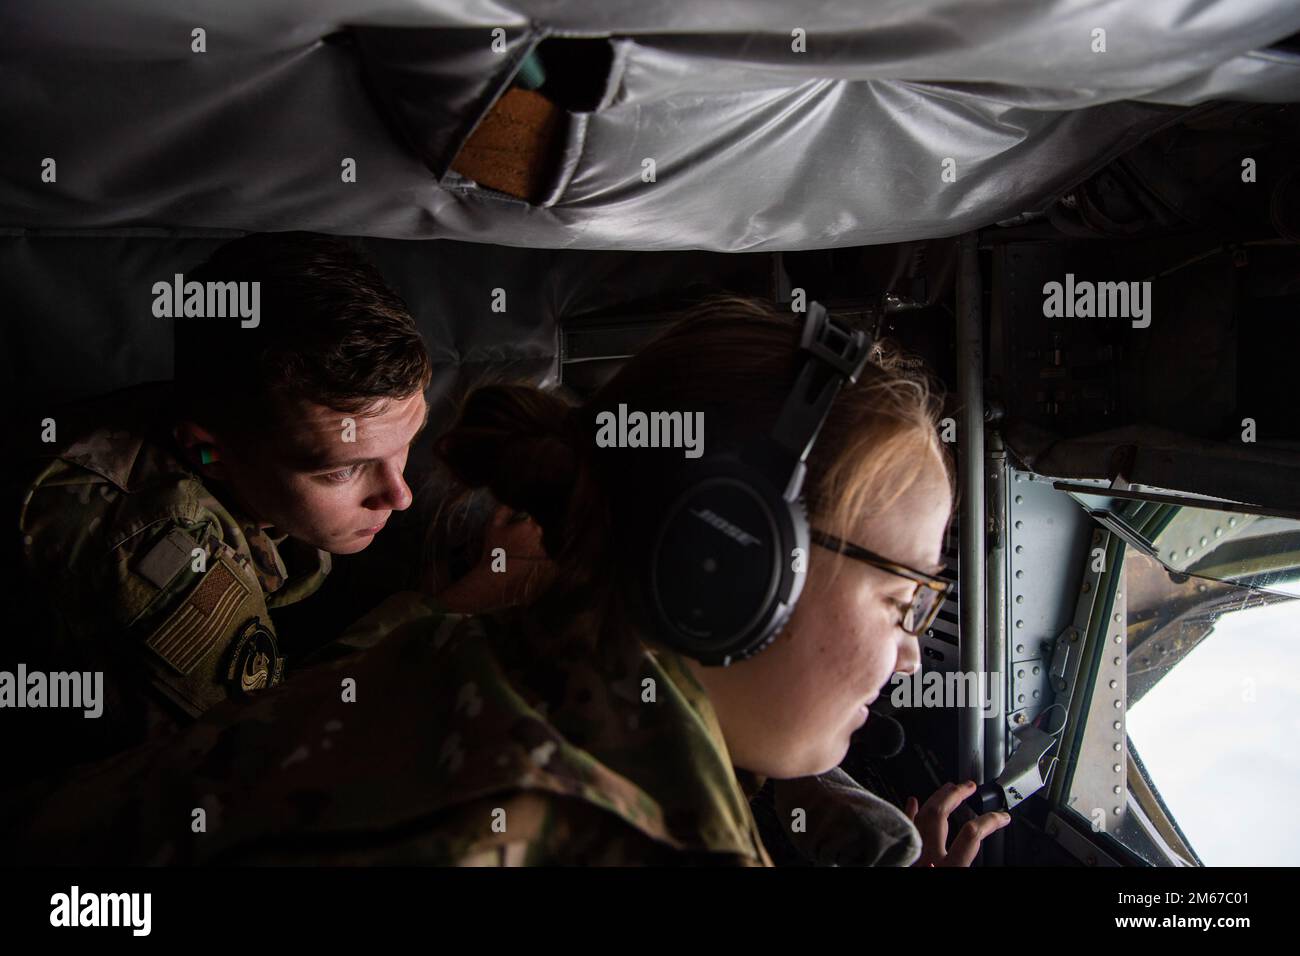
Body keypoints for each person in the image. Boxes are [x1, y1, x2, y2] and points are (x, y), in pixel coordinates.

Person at [6, 296, 1008, 866]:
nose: (913, 648)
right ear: (732, 558)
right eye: (902, 595)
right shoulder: (573, 827)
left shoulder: (463, 648)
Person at [9, 233, 527, 771]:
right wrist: (460, 602)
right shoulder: (153, 550)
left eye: (406, 444)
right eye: (343, 470)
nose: (399, 495)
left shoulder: (233, 413)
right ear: (207, 452)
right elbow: (256, 761)